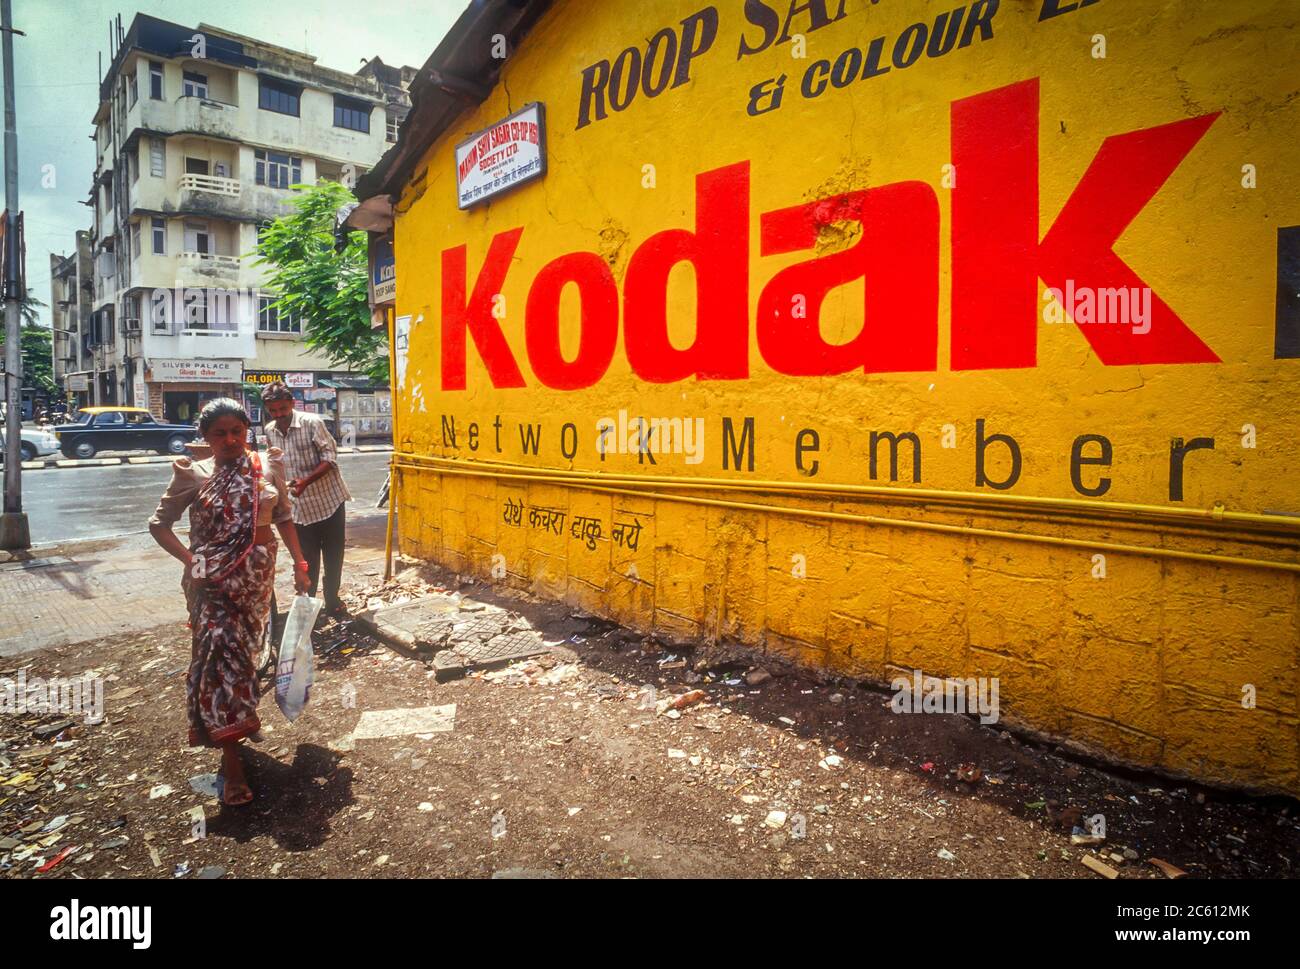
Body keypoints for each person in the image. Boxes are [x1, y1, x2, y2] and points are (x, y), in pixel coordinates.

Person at [148, 398, 310, 806]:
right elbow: (159, 524)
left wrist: (301, 564)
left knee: (245, 657)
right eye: (219, 433)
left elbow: (284, 518)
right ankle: (232, 760)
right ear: (205, 438)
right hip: (213, 585)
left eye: (236, 430)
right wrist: (192, 561)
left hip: (256, 581)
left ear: (247, 431)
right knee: (222, 659)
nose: (230, 439)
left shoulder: (267, 466)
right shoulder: (193, 473)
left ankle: (237, 719)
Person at [260, 381, 353, 621]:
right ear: (268, 410)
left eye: (283, 408)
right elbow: (273, 466)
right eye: (274, 410)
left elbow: (330, 458)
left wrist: (306, 481)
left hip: (328, 500)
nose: (279, 414)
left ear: (292, 403)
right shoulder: (270, 430)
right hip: (297, 507)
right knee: (306, 560)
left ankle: (332, 600)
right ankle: (309, 609)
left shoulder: (312, 423)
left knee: (333, 556)